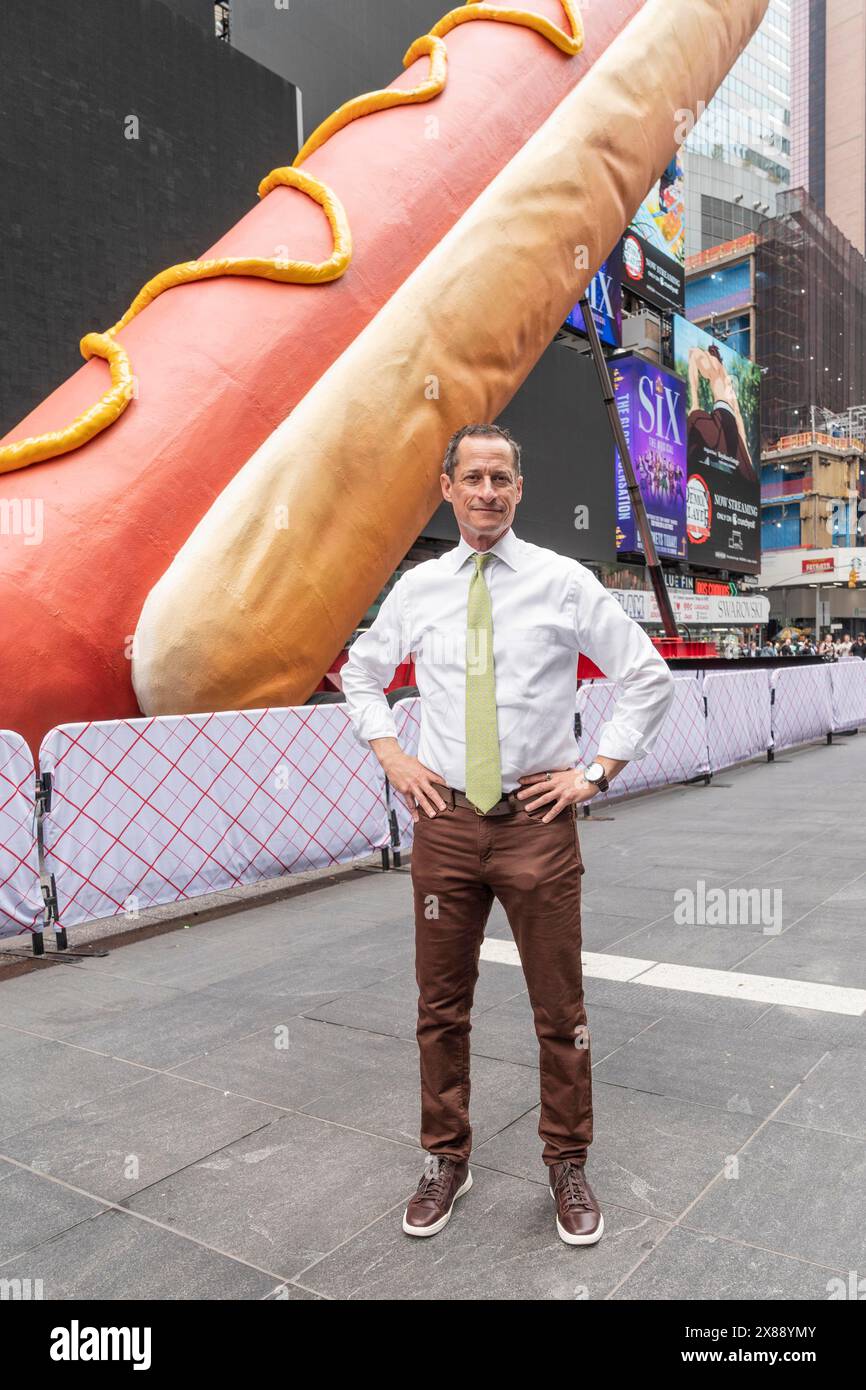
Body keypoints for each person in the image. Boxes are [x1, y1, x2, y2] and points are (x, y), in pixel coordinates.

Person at [341, 423, 675, 1247]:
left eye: (501, 478)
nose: (487, 491)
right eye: (473, 477)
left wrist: (594, 773)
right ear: (447, 487)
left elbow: (646, 674)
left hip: (537, 825)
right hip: (445, 823)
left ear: (519, 490)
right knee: (439, 1007)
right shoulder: (419, 589)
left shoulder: (563, 582)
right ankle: (443, 1159)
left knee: (560, 1009)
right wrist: (392, 754)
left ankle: (567, 1162)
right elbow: (359, 671)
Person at [686, 344, 757, 484]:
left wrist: (695, 403)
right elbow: (738, 415)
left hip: (721, 416)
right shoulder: (728, 378)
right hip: (732, 424)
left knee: (694, 420)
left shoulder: (711, 362)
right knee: (746, 473)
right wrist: (745, 451)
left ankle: (690, 469)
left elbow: (693, 354)